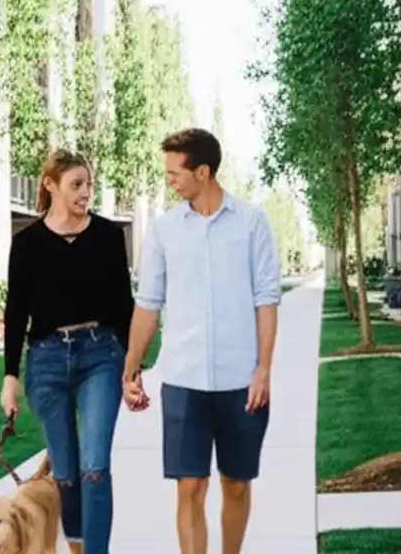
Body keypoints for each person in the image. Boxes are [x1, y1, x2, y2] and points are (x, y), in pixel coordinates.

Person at [121, 128, 281, 554]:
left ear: (203, 172)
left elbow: (266, 300)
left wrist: (263, 370)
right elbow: (148, 304)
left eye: (175, 173)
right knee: (189, 487)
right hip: (183, 381)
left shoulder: (251, 223)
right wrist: (131, 368)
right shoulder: (164, 230)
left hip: (241, 382)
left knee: (236, 484)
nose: (169, 180)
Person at [0, 149, 133, 554]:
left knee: (95, 467)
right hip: (47, 361)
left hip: (101, 357)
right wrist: (10, 378)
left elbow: (123, 307)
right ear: (50, 185)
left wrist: (132, 368)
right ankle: (76, 545)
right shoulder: (27, 244)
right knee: (66, 472)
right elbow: (15, 313)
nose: (85, 192)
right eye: (76, 184)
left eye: (88, 184)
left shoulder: (109, 236)